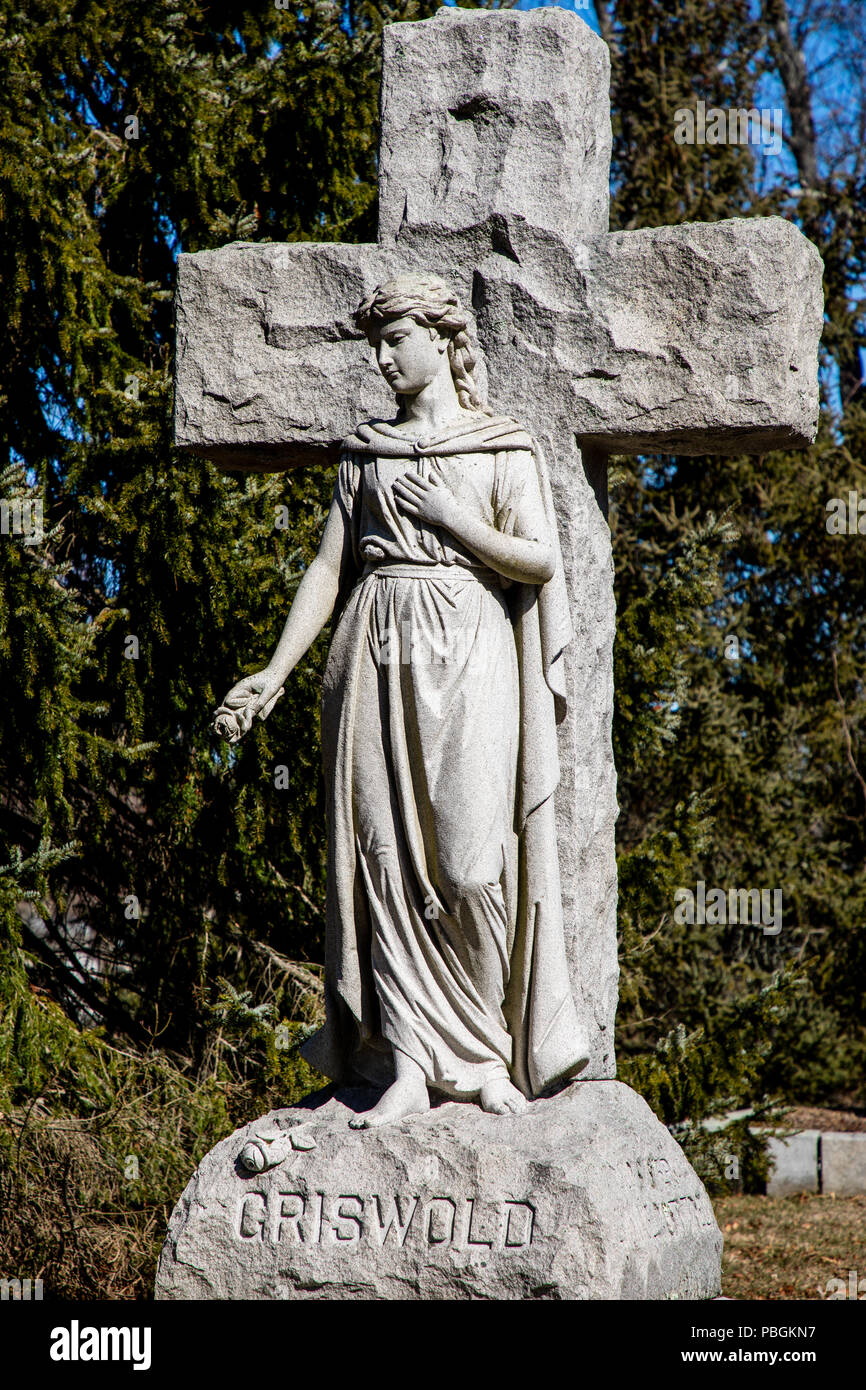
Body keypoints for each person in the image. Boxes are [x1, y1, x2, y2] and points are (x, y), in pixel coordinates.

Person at [214, 273, 588, 1129]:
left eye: (395, 339)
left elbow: (537, 562)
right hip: (371, 651)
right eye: (375, 344)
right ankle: (410, 1067)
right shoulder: (365, 453)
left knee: (470, 865)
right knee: (382, 863)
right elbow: (324, 568)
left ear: (441, 339)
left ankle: (488, 1055)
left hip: (470, 650)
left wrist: (456, 519)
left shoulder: (501, 446)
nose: (382, 359)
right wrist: (275, 672)